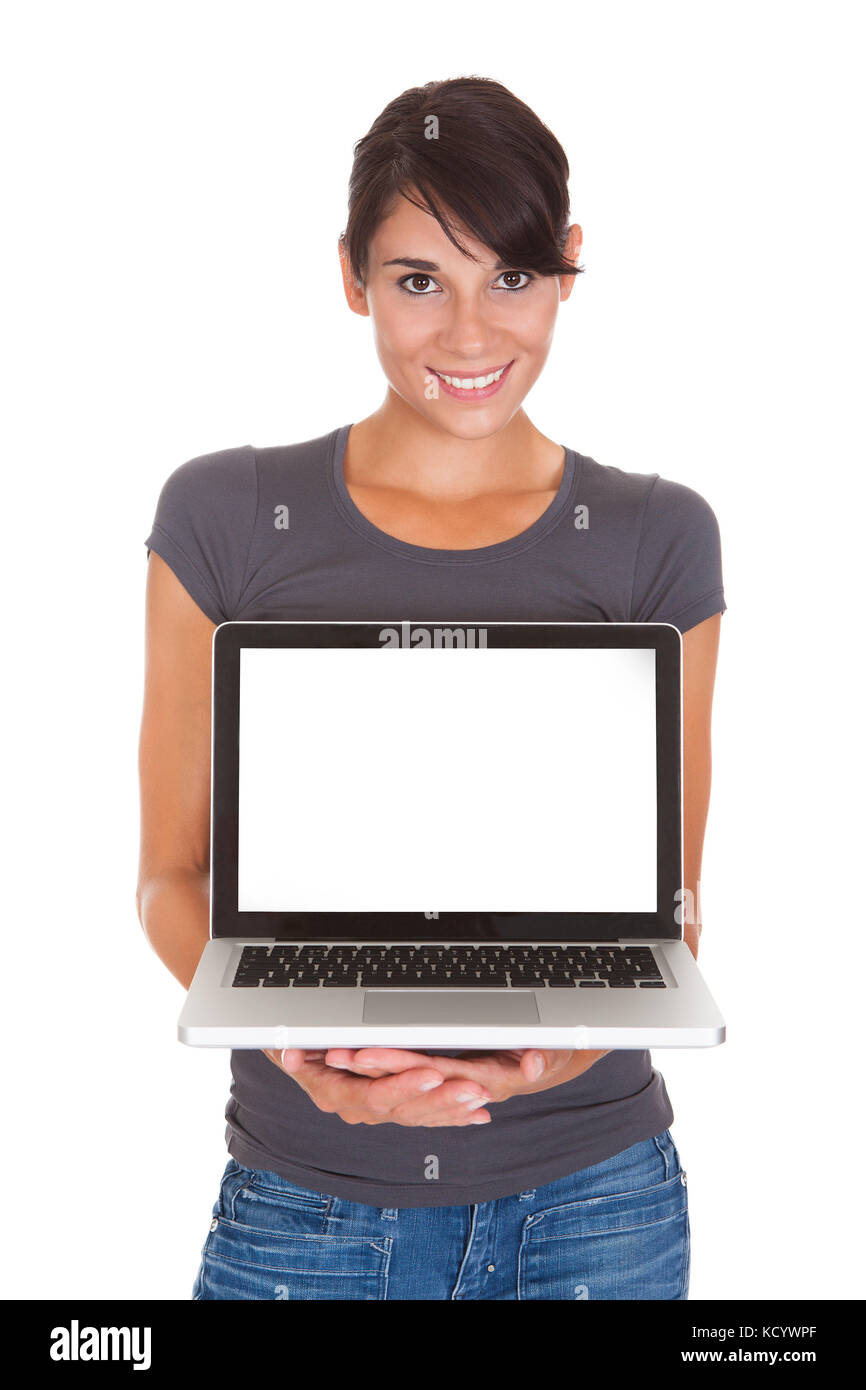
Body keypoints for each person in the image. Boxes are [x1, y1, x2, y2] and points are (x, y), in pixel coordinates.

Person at [137, 76, 725, 1301]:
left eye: (508, 276)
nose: (467, 336)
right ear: (351, 275)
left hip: (596, 1207)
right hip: (303, 1207)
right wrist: (297, 1047)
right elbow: (170, 878)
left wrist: (548, 1067)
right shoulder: (225, 516)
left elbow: (663, 912)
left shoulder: (656, 535)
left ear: (567, 267)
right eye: (418, 280)